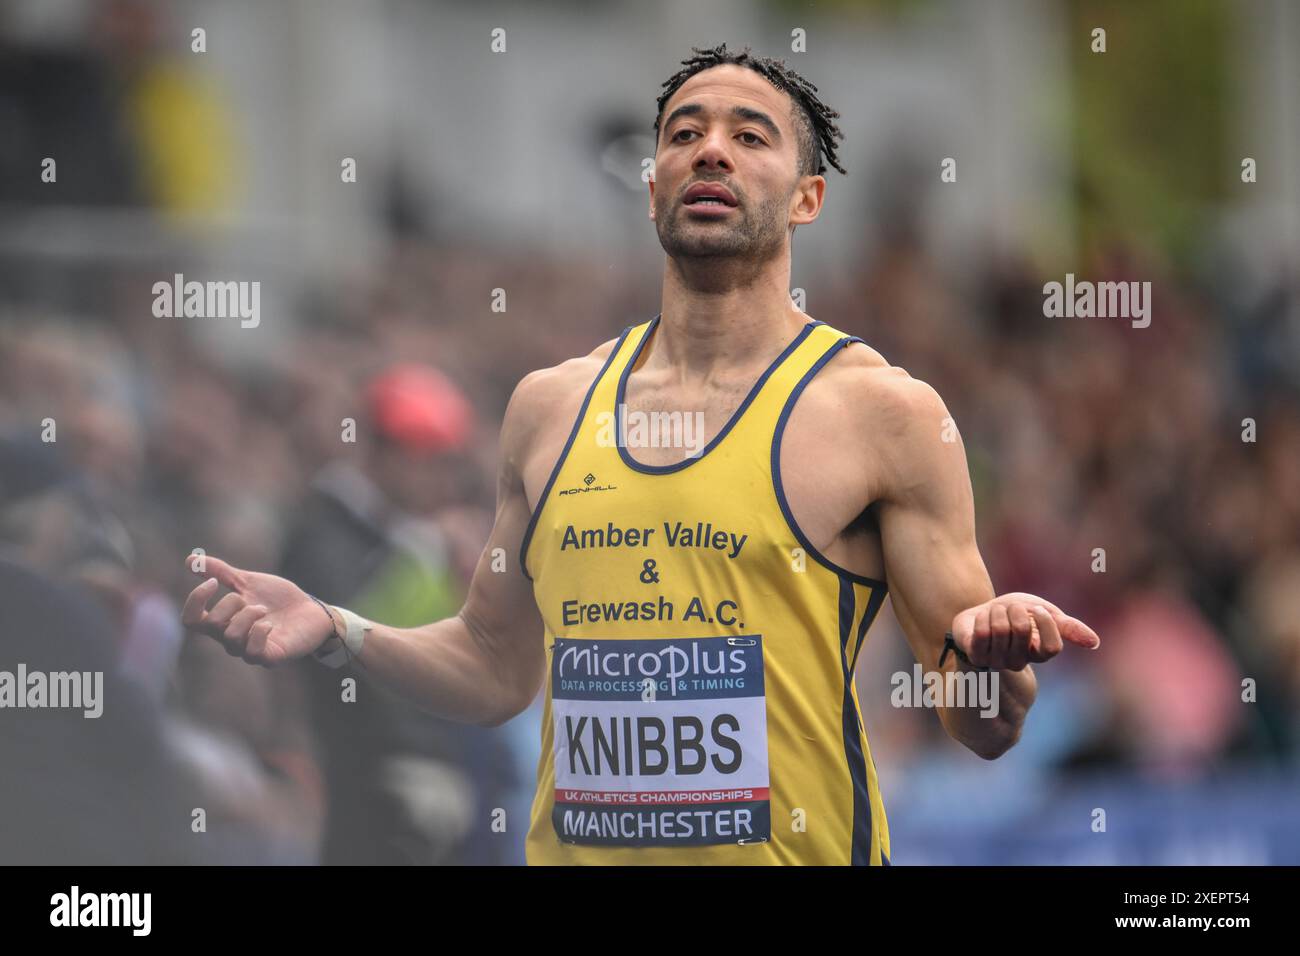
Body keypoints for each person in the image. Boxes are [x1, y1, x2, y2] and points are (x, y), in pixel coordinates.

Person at [180, 43, 1100, 865]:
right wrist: (336, 629)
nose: (710, 150)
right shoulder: (549, 408)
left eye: (751, 136)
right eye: (684, 132)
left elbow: (980, 725)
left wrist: (991, 662)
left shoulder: (883, 414)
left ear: (807, 198)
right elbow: (494, 666)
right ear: (655, 185)